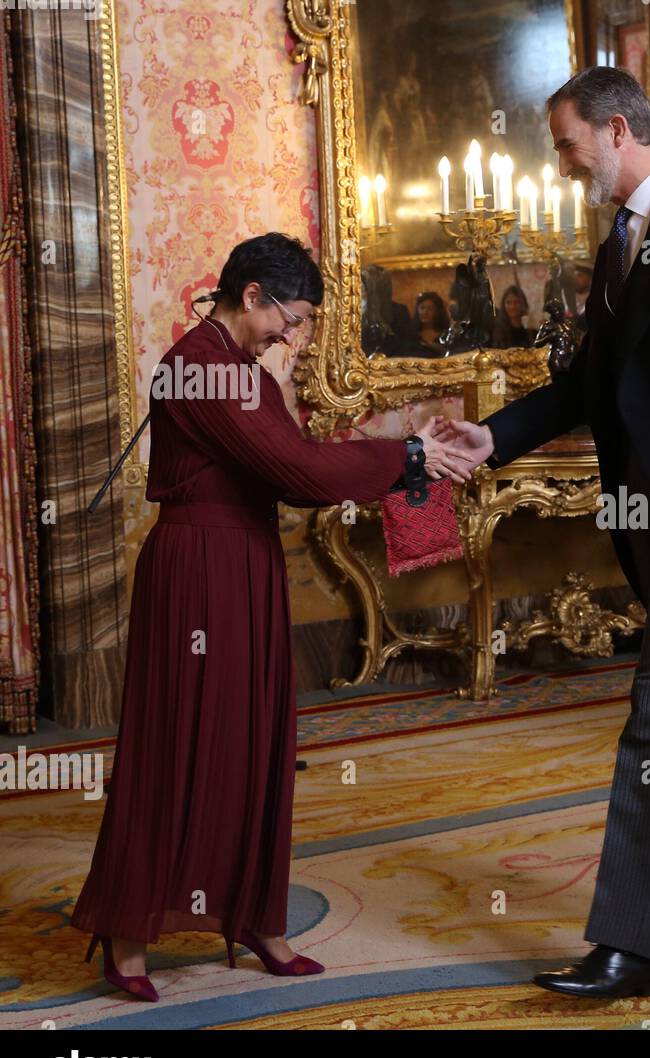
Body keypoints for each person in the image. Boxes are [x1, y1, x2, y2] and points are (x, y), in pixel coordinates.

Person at [434, 66, 650, 997]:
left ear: (618, 128)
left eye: (566, 144)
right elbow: (588, 385)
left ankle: (632, 946)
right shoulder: (619, 247)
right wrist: (494, 436)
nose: (560, 163)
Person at [71, 232, 474, 1001]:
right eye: (291, 319)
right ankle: (126, 935)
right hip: (198, 570)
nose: (295, 337)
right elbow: (300, 469)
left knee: (257, 741)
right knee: (177, 740)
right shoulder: (199, 367)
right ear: (251, 295)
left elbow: (286, 462)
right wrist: (407, 455)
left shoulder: (238, 369)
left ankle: (258, 917)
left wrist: (288, 389)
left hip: (245, 564)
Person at [491, 283, 532, 348]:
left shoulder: (529, 330)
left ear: (522, 304)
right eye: (508, 302)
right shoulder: (498, 330)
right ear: (503, 305)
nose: (512, 306)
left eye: (516, 302)